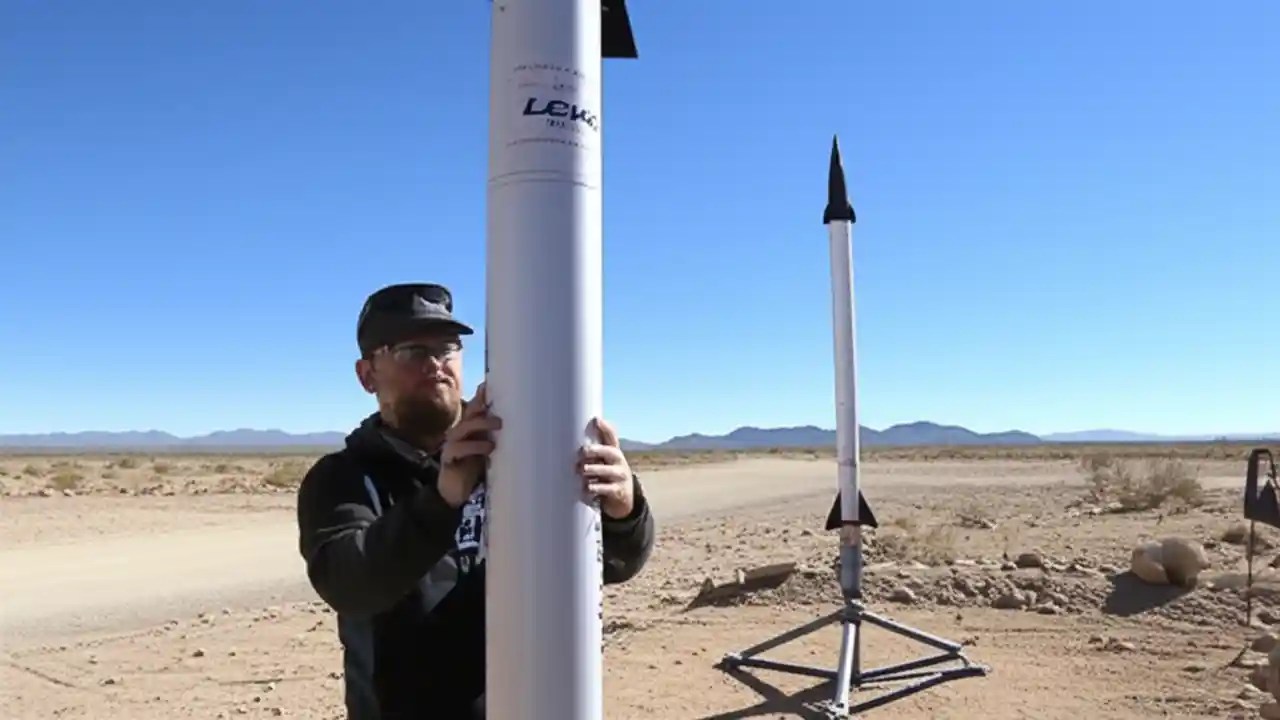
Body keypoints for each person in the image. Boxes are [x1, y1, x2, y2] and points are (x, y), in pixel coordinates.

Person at [295, 282, 656, 720]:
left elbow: (609, 565)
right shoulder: (343, 479)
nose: (436, 365)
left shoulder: (515, 453)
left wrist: (623, 510)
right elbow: (349, 584)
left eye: (447, 348)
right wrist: (442, 499)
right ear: (367, 374)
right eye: (411, 350)